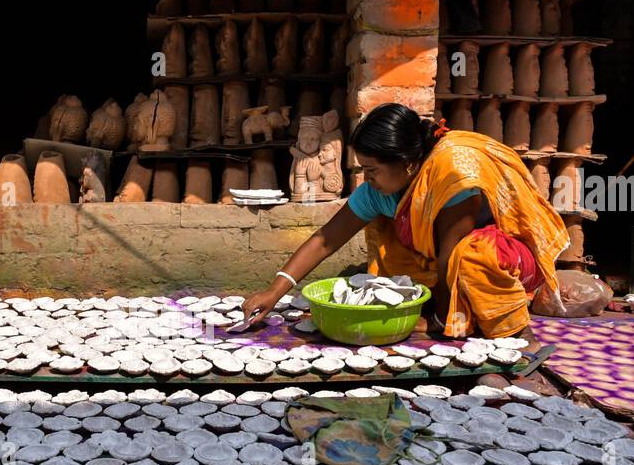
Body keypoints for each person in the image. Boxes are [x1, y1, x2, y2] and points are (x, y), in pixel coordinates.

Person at [239, 102, 569, 339]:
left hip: (502, 261)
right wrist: (275, 291)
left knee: (471, 256)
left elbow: (449, 256)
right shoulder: (382, 188)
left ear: (406, 163)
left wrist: (439, 321)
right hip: (446, 260)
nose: (366, 179)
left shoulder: (453, 176)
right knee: (388, 237)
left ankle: (476, 318)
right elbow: (325, 239)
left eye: (372, 170)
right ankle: (442, 307)